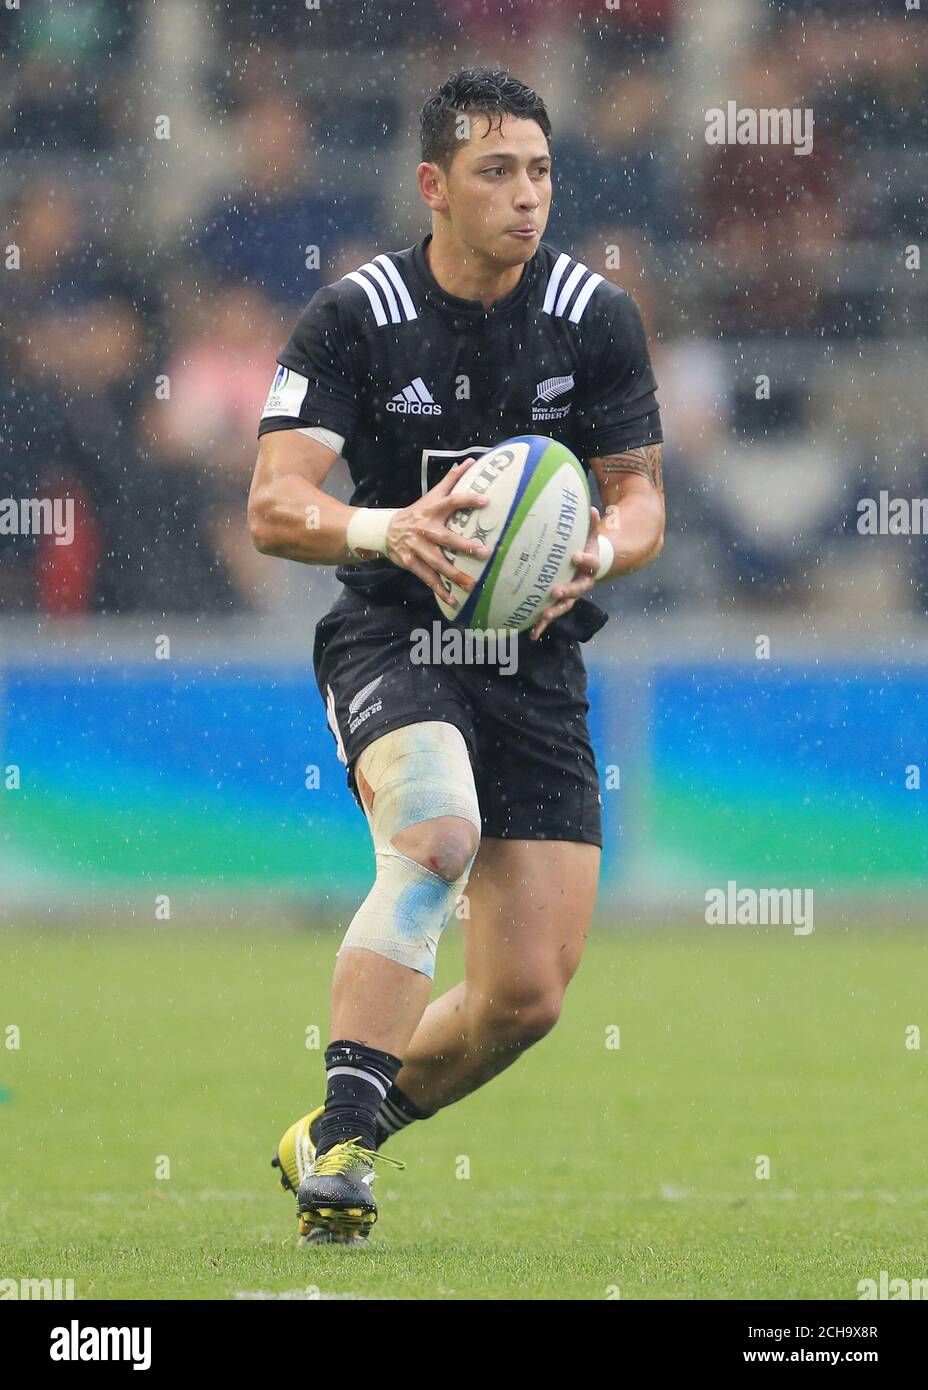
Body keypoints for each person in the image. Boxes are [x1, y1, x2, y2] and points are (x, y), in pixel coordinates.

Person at [248, 66, 665, 1244]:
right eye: (496, 172)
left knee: (526, 997)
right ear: (433, 185)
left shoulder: (594, 314)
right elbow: (276, 507)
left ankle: (338, 1128)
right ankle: (340, 1147)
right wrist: (390, 528)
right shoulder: (356, 317)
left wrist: (595, 551)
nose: (525, 195)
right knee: (435, 837)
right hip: (392, 631)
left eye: (538, 171)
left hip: (532, 660)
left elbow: (641, 503)